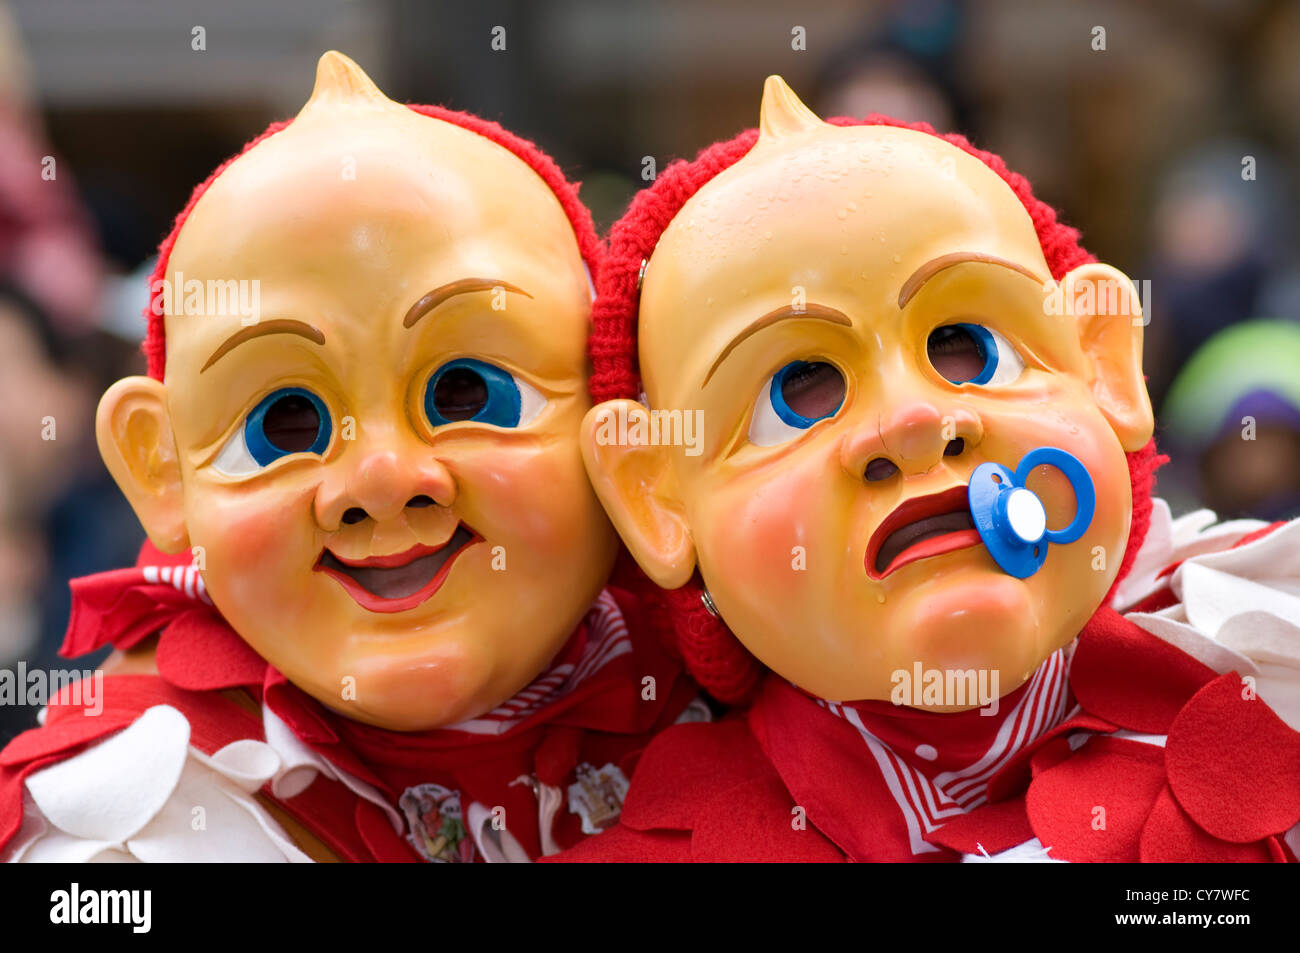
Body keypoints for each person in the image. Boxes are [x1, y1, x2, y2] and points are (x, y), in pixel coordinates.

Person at [555, 77, 1300, 862]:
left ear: (1103, 366)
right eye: (800, 393)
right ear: (654, 498)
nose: (913, 423)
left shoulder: (1273, 670)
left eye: (967, 347)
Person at [0, 52, 694, 863]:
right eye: (286, 422)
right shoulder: (130, 825)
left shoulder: (751, 687)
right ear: (162, 468)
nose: (381, 483)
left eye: (467, 393)